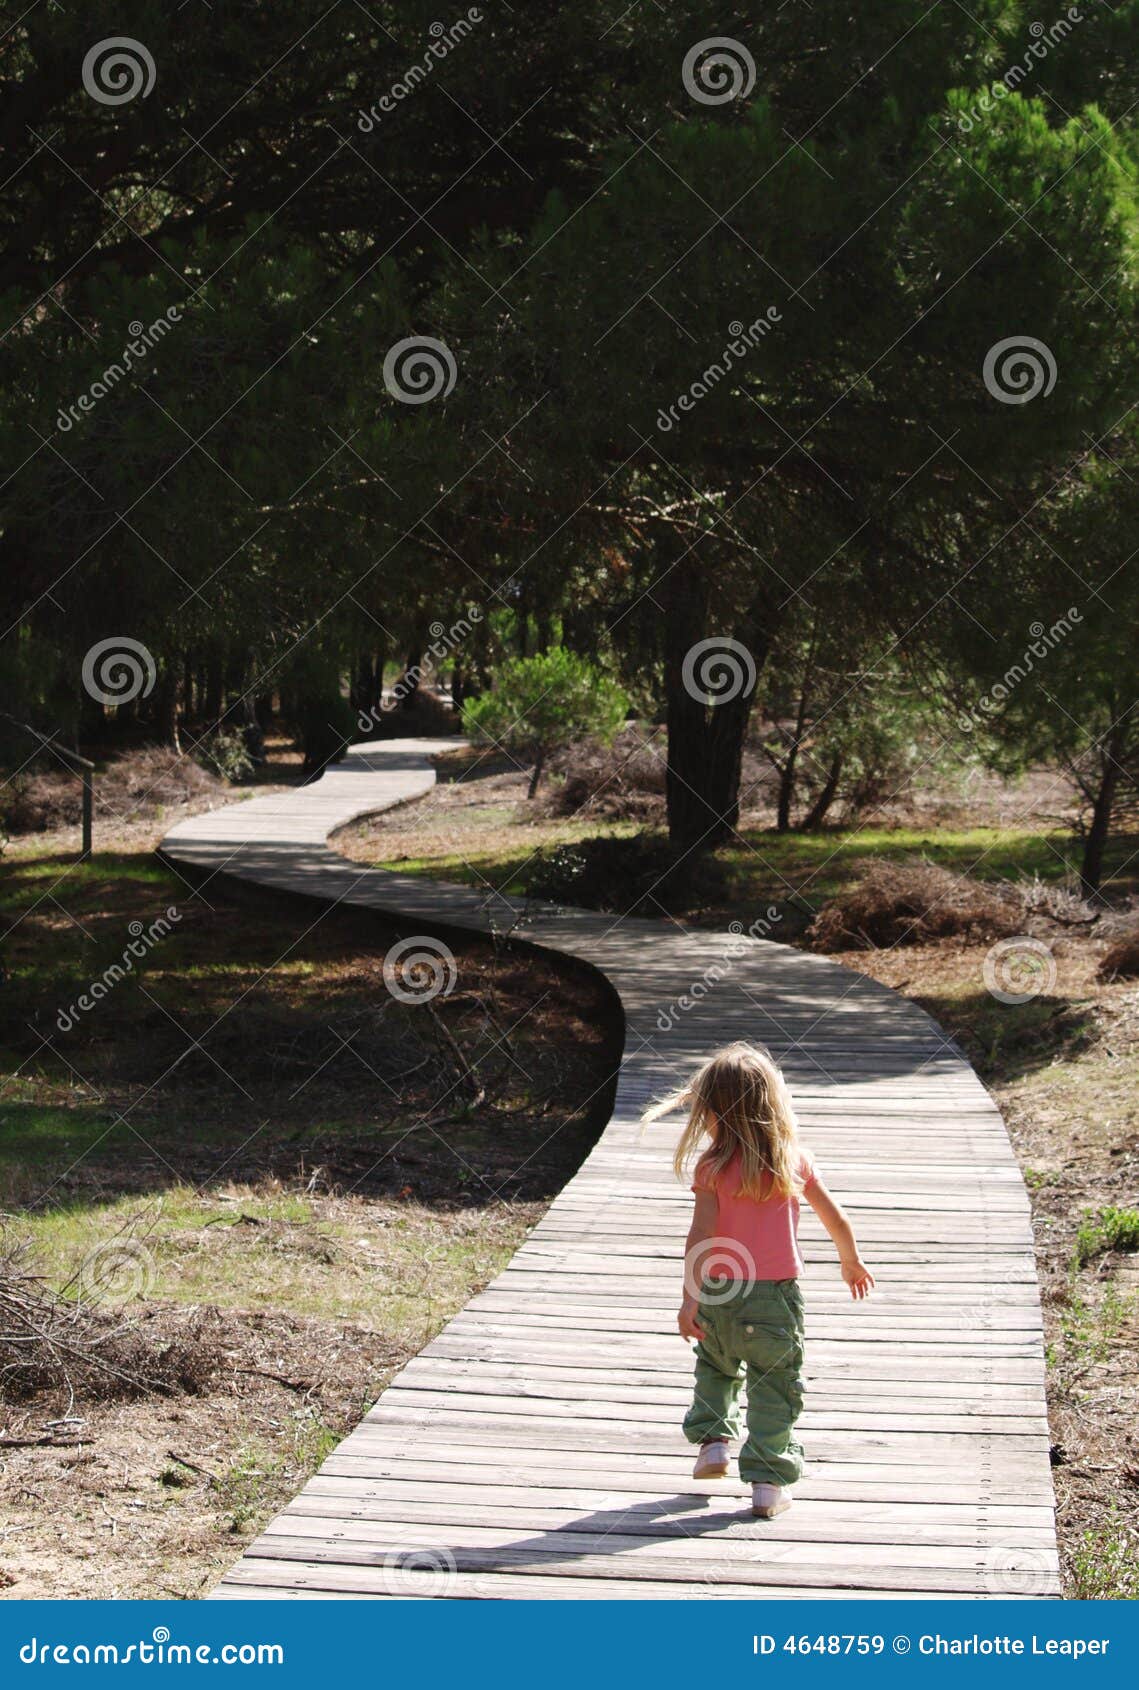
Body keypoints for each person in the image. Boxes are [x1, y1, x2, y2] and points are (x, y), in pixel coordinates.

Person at [643, 1041, 874, 1518]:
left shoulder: (711, 1168)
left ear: (711, 1111)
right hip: (775, 1300)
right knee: (774, 1385)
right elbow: (837, 1221)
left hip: (719, 1292)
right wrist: (849, 1262)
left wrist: (690, 1299)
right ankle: (768, 1484)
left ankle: (713, 1444)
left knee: (715, 1366)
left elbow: (701, 1236)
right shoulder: (794, 1162)